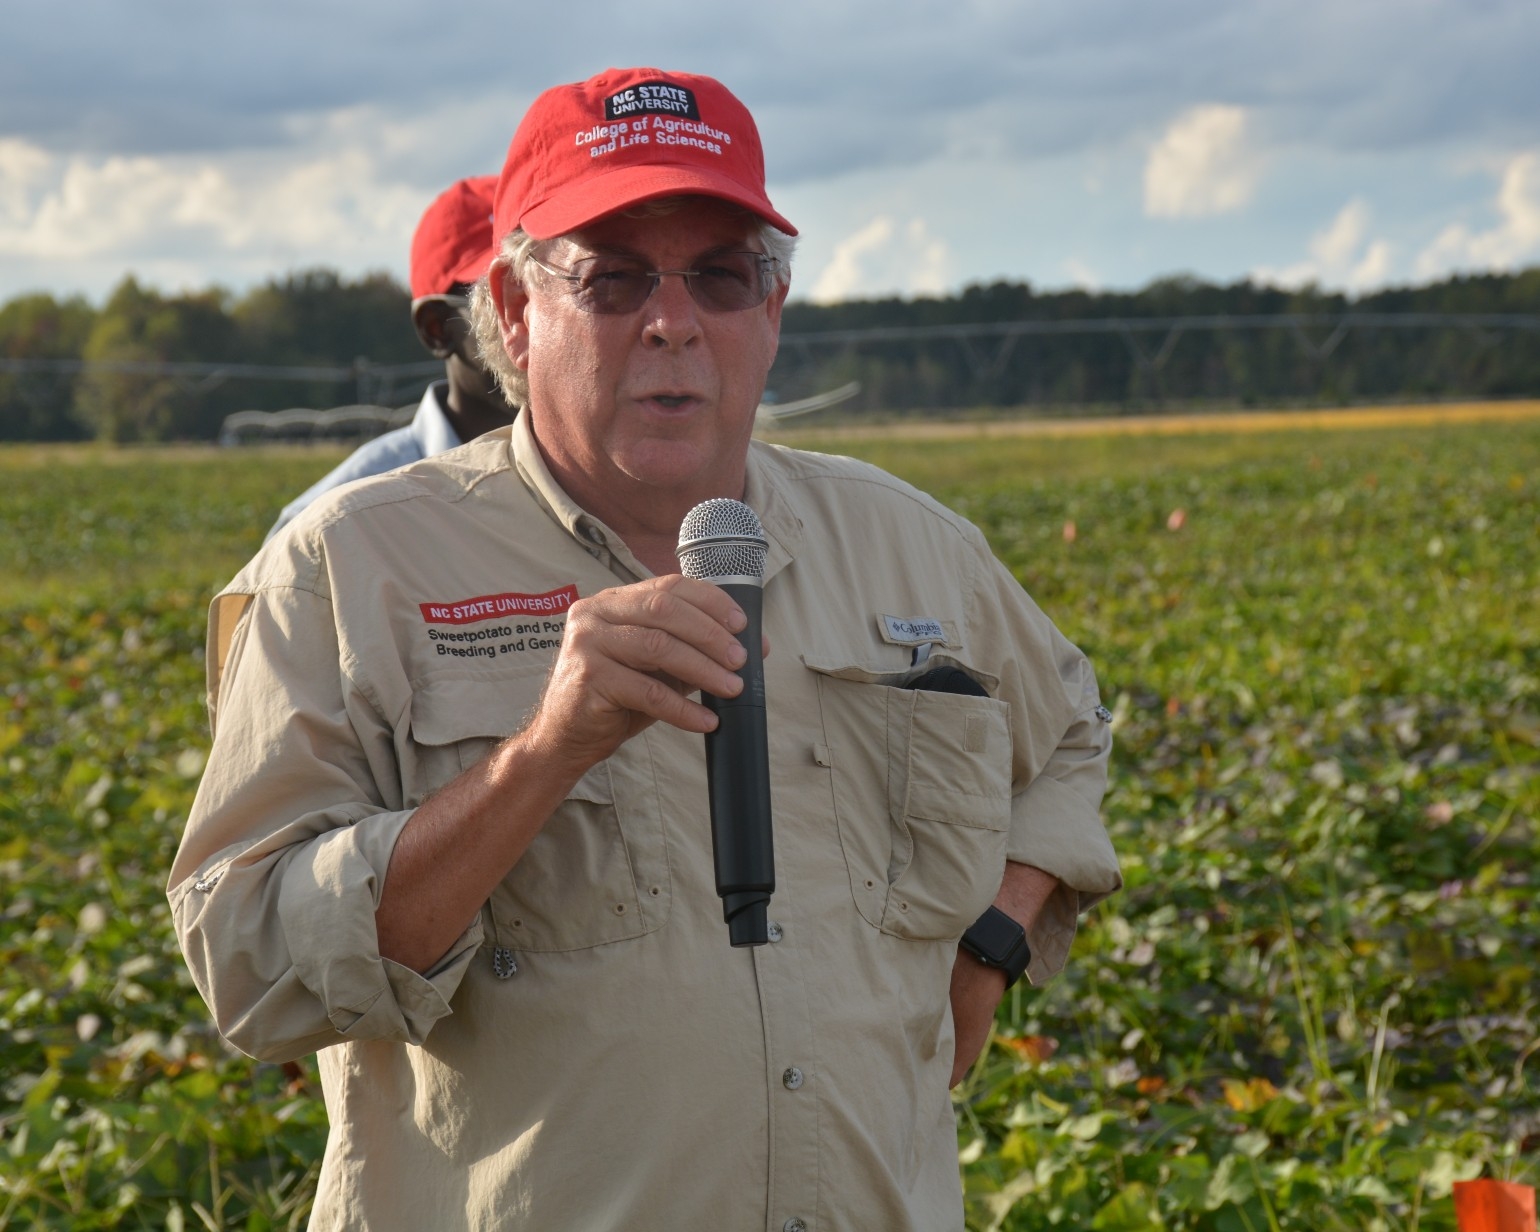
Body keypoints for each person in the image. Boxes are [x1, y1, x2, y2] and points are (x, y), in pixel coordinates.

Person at [169, 66, 1121, 1231]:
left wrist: (993, 937)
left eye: (720, 274)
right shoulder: (345, 567)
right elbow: (250, 960)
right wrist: (541, 755)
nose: (672, 321)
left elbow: (1068, 730)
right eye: (612, 278)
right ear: (514, 312)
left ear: (771, 310)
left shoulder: (911, 545)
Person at [264, 174, 515, 539]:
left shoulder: (597, 480)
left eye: (550, 282)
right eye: (501, 295)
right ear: (436, 328)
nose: (532, 313)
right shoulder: (333, 526)